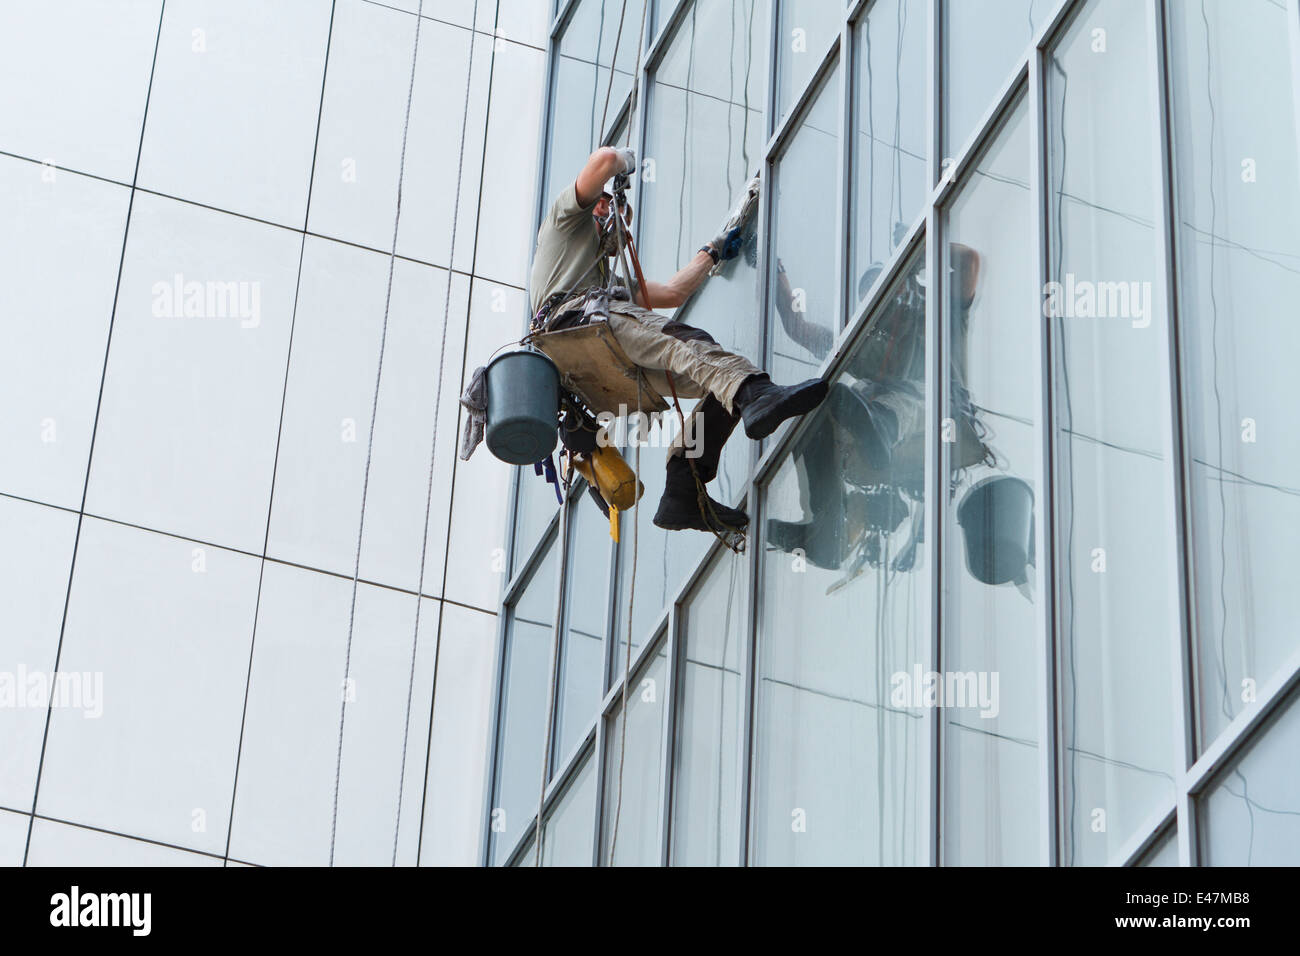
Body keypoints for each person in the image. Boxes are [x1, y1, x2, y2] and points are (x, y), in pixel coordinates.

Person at [529, 145, 828, 534]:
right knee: (685, 342)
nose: (610, 214)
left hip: (590, 364)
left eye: (615, 210)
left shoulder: (605, 282)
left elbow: (672, 293)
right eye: (604, 206)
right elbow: (602, 161)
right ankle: (757, 395)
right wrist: (625, 163)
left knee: (716, 382)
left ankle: (683, 486)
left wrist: (714, 250)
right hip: (579, 327)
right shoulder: (564, 221)